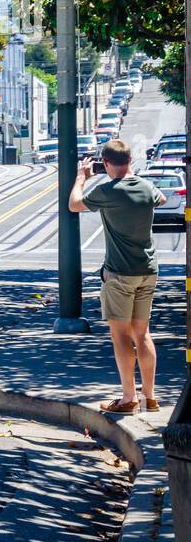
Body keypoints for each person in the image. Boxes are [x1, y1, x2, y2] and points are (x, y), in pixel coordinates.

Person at [68, 138, 165, 414]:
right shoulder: (146, 187)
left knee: (120, 335)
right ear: (131, 161)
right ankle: (150, 397)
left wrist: (81, 177)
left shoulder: (109, 191)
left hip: (120, 273)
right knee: (143, 333)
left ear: (107, 164)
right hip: (148, 270)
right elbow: (162, 198)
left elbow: (74, 204)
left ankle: (128, 398)